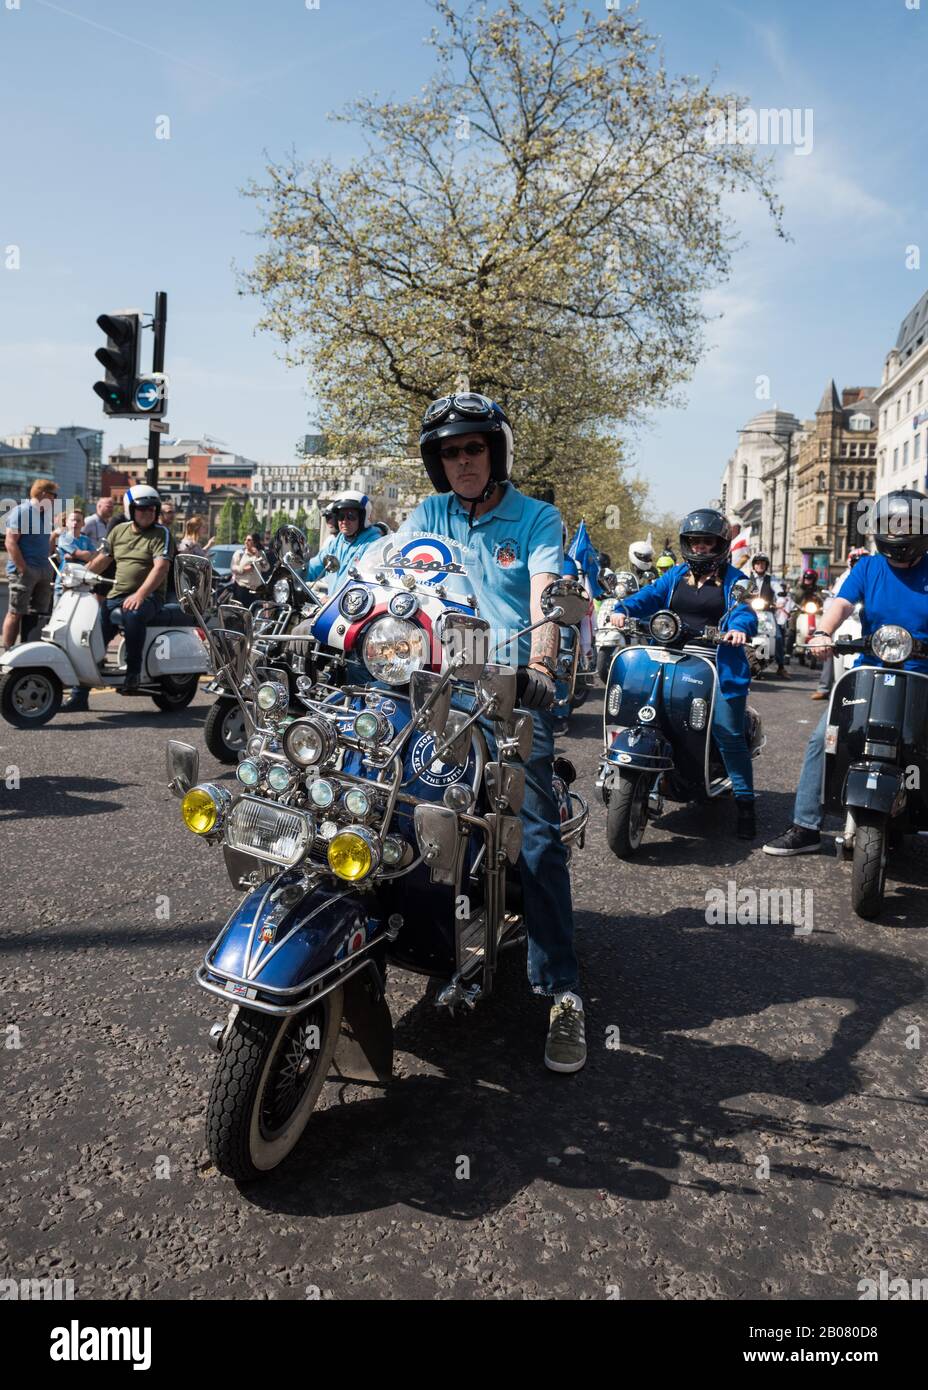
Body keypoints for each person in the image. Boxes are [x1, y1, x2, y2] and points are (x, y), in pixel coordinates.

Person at [400, 392, 586, 1074]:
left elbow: (546, 591)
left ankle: (563, 991)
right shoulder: (429, 514)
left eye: (473, 448)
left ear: (497, 452)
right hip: (430, 685)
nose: (462, 462)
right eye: (450, 452)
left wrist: (538, 663)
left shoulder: (537, 517)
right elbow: (395, 576)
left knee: (534, 837)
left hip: (509, 692)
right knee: (366, 789)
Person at [765, 490, 928, 855]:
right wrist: (824, 631)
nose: (898, 532)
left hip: (923, 676)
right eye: (891, 524)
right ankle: (805, 826)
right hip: (870, 671)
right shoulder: (867, 567)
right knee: (824, 738)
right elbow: (840, 603)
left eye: (907, 525)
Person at [611, 507, 759, 839]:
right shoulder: (675, 576)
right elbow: (647, 597)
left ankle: (746, 804)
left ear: (720, 544)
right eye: (695, 542)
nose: (701, 548)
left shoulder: (737, 581)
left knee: (726, 729)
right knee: (642, 706)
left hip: (716, 660)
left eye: (708, 542)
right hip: (671, 653)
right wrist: (622, 609)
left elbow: (744, 611)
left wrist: (737, 630)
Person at [82, 484, 174, 694]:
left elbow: (161, 568)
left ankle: (133, 672)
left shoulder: (162, 533)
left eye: (152, 509)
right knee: (93, 628)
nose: (148, 513)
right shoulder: (118, 531)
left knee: (132, 614)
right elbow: (103, 560)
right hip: (116, 594)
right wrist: (80, 575)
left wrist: (140, 595)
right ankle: (81, 690)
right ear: (131, 510)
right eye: (143, 509)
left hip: (150, 597)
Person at [2, 477, 58, 652]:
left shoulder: (44, 515)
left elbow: (45, 541)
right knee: (16, 612)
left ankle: (28, 650)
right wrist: (23, 568)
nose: (55, 499)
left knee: (39, 614)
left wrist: (48, 563)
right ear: (42, 493)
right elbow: (10, 542)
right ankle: (8, 653)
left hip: (43, 569)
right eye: (53, 495)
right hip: (26, 570)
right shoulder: (22, 511)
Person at [304, 491, 382, 588]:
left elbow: (365, 583)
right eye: (341, 517)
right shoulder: (337, 543)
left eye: (351, 516)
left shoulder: (373, 544)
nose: (344, 521)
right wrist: (292, 573)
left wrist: (334, 598)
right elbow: (314, 567)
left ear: (362, 518)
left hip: (352, 601)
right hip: (330, 602)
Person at [52, 509, 95, 598]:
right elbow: (80, 554)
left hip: (81, 583)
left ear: (83, 523)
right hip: (64, 583)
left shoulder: (86, 539)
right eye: (72, 520)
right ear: (67, 522)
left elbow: (95, 557)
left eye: (78, 521)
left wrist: (82, 555)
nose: (75, 523)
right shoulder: (64, 538)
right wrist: (85, 554)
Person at [230, 532, 270, 603]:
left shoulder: (260, 554)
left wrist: (257, 555)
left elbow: (266, 568)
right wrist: (243, 569)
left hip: (256, 590)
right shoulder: (240, 553)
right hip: (242, 588)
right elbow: (233, 567)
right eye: (245, 539)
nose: (246, 542)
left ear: (255, 542)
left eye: (249, 540)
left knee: (253, 611)